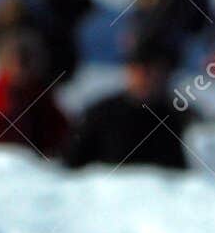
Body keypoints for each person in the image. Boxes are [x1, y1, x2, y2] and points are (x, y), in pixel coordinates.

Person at [63, 37, 192, 172]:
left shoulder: (178, 117)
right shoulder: (101, 114)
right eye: (142, 70)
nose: (149, 78)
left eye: (157, 71)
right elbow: (71, 167)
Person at [0, 28, 71, 159]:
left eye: (25, 60)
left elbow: (63, 137)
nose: (20, 66)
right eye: (14, 59)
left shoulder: (42, 97)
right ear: (2, 60)